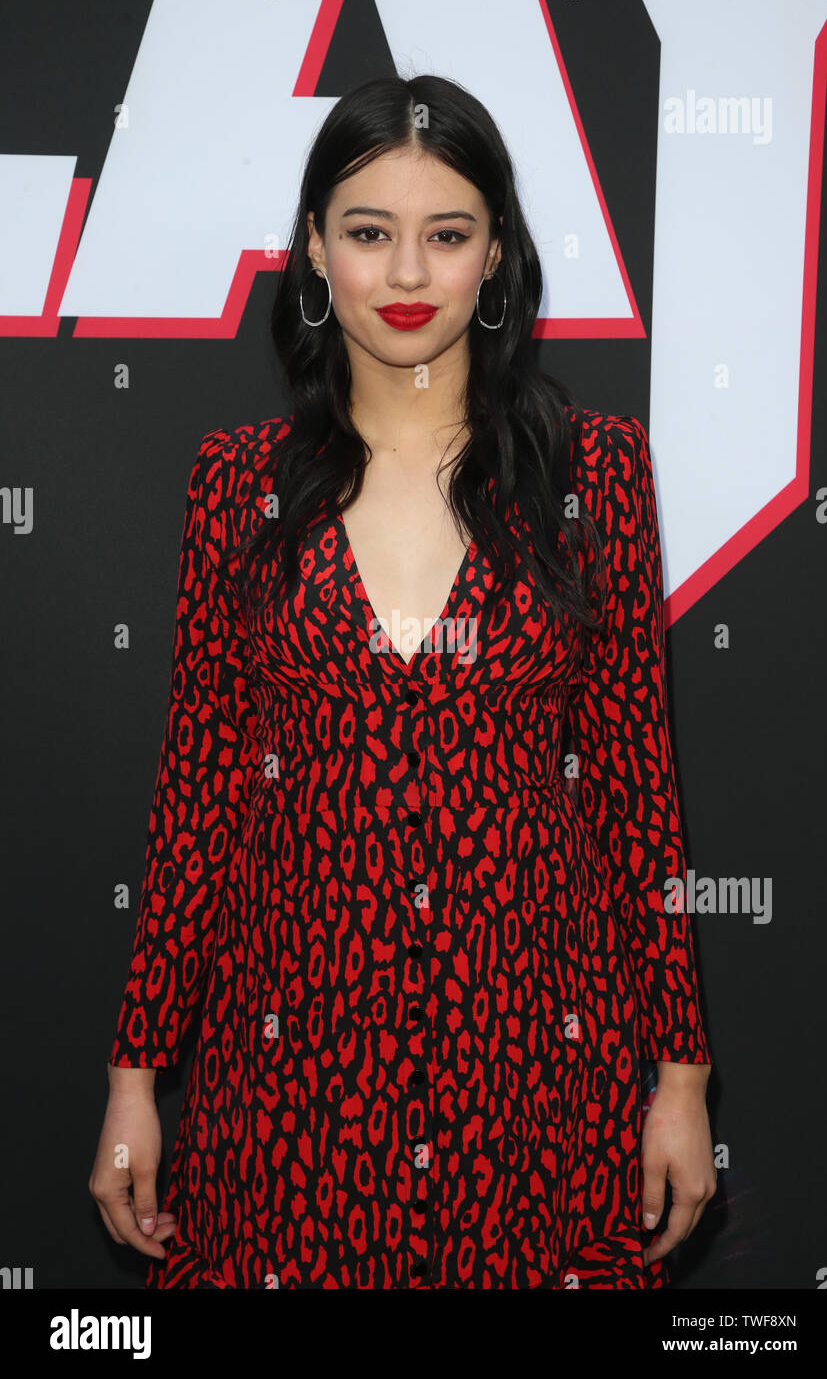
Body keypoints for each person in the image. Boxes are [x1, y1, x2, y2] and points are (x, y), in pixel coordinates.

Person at [89, 73, 716, 1289]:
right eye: (369, 233)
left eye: (449, 233)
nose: (409, 274)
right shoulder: (238, 483)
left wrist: (679, 1077)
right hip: (288, 1078)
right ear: (316, 249)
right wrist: (133, 1076)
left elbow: (639, 792)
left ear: (497, 256)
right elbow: (199, 799)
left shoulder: (597, 474)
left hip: (540, 1062)